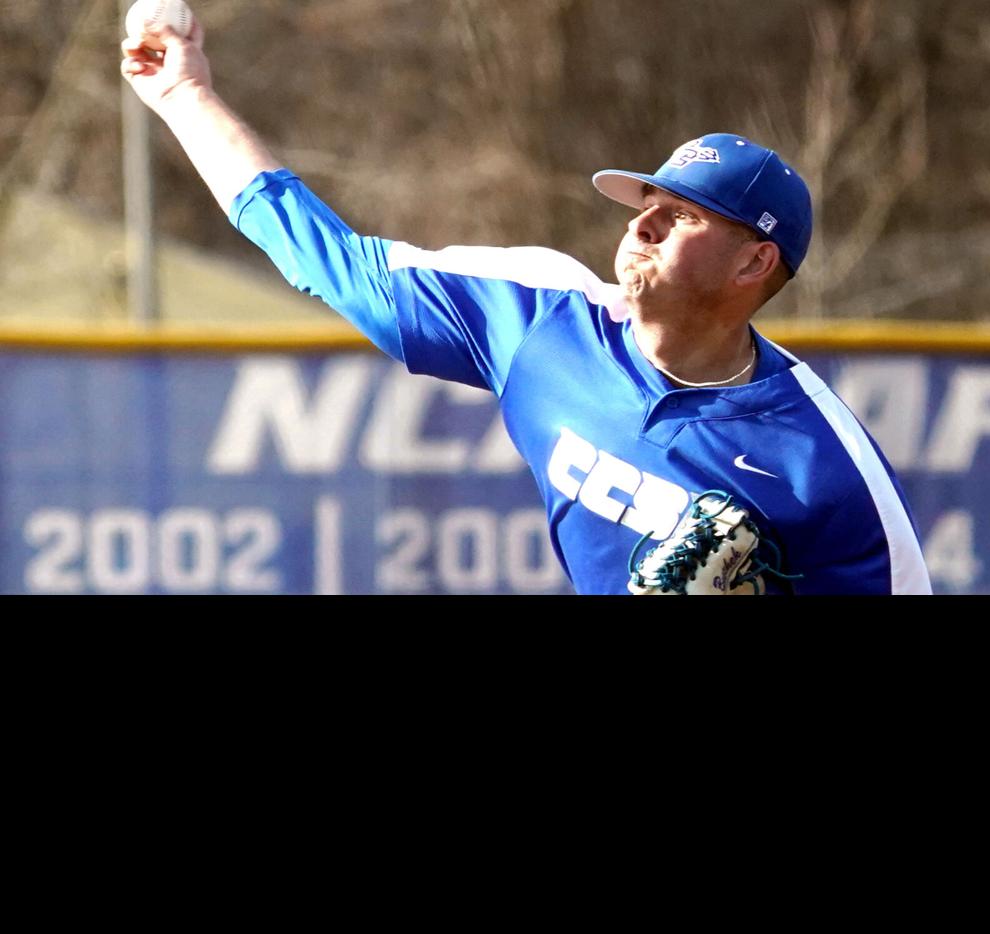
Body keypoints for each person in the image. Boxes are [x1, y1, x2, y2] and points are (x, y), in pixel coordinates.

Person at [120, 20, 931, 595]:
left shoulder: (824, 467)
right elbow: (323, 257)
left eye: (683, 214)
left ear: (756, 261)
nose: (641, 220)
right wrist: (186, 95)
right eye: (646, 199)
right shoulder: (538, 318)